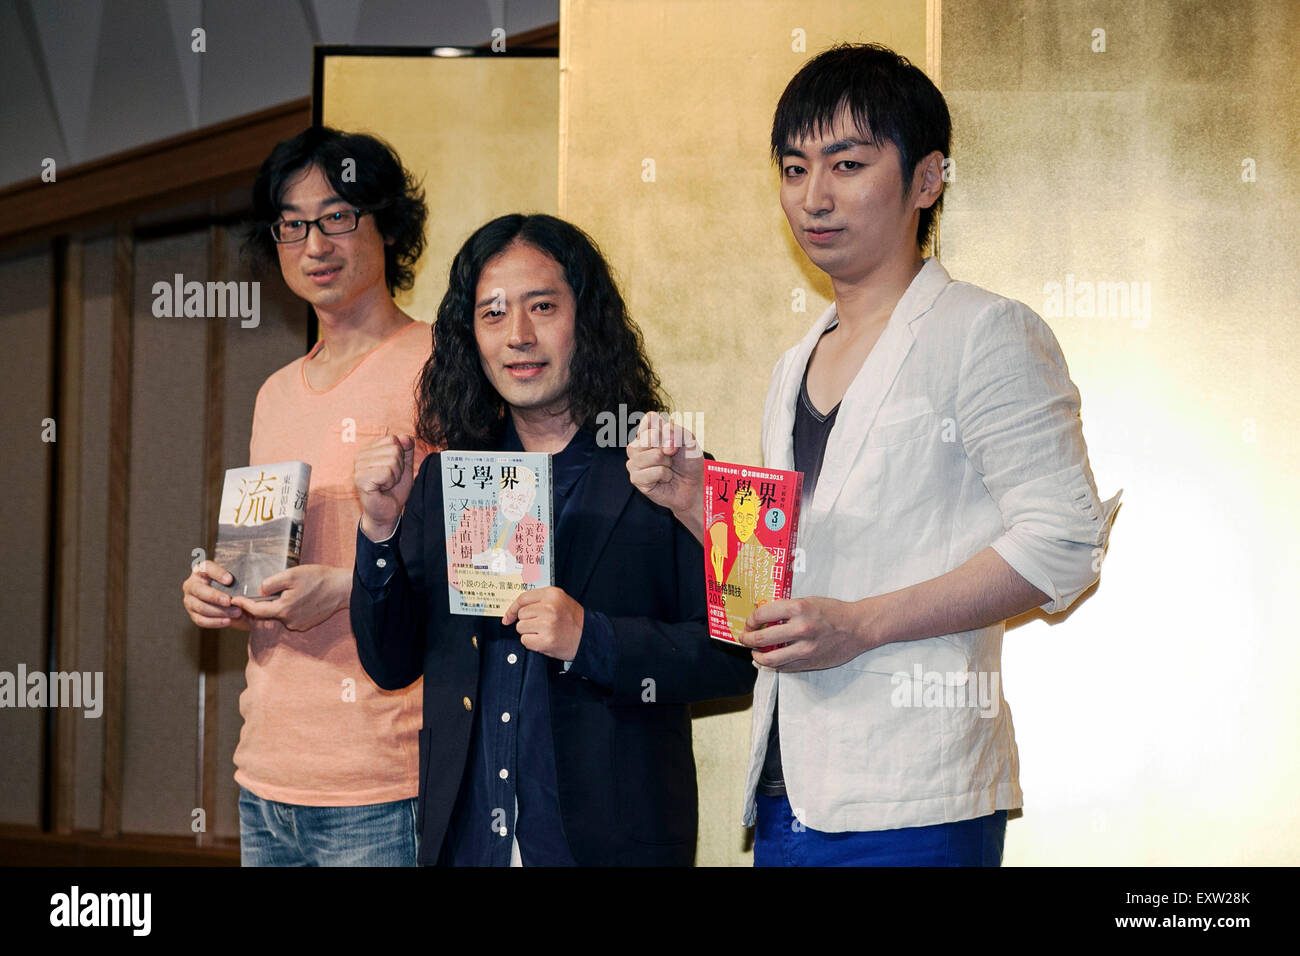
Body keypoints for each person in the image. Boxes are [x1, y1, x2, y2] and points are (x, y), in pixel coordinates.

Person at [628, 43, 1121, 866]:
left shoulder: (984, 331)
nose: (814, 197)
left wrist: (863, 625)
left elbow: (1066, 541)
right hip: (789, 786)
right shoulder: (795, 364)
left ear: (927, 179)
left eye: (847, 164)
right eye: (793, 169)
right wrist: (696, 501)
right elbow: (783, 584)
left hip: (916, 789)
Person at [349, 213, 756, 866]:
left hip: (612, 845)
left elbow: (737, 657)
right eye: (492, 313)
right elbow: (390, 661)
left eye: (542, 306)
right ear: (469, 336)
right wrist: (379, 529)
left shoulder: (662, 467)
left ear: (586, 320)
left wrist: (590, 638)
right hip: (469, 845)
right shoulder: (448, 481)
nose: (519, 336)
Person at [180, 126, 431, 866]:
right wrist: (223, 592)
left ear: (388, 224)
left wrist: (350, 590)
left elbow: (483, 562)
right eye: (292, 224)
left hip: (383, 780)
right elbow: (268, 557)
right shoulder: (274, 393)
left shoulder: (441, 362)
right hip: (266, 770)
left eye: (337, 216)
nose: (314, 243)